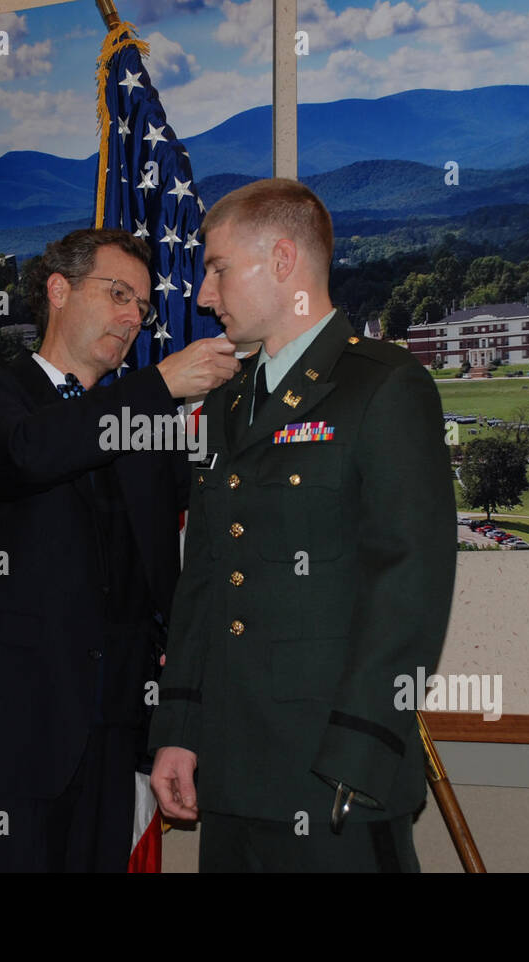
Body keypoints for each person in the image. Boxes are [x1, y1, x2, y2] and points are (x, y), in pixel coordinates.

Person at [0, 227, 238, 872]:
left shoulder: (145, 425)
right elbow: (25, 455)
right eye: (118, 294)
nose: (133, 318)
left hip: (111, 746)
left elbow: (214, 498)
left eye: (143, 307)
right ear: (58, 290)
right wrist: (158, 385)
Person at [148, 179, 457, 872]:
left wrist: (361, 750)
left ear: (283, 261)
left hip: (332, 775)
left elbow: (409, 584)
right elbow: (204, 582)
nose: (204, 293)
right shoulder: (226, 403)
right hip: (231, 771)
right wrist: (179, 729)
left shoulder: (382, 385)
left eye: (219, 268)